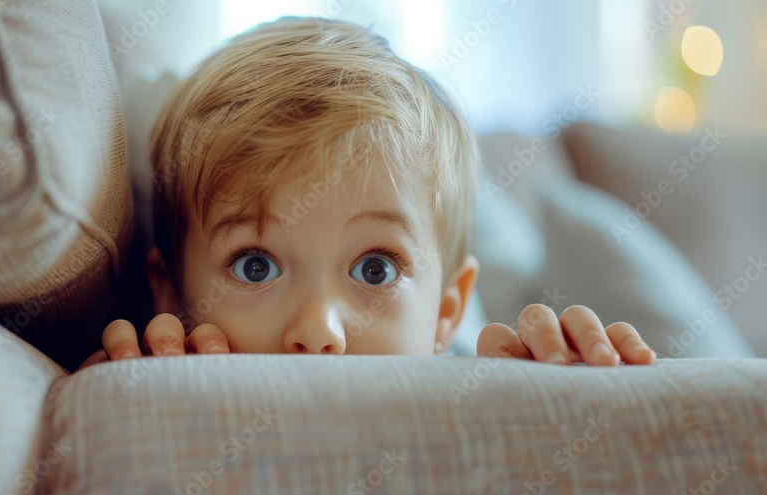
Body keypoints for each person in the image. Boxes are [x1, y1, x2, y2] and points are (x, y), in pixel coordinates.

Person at [78, 17, 656, 370]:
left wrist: (572, 383)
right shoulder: (166, 382)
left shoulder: (484, 387)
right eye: (255, 266)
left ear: (445, 312)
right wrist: (134, 379)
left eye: (375, 269)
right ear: (172, 295)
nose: (319, 331)